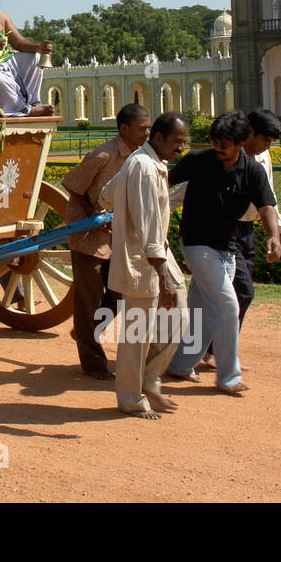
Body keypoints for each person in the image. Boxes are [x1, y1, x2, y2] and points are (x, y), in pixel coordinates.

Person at [164, 110, 281, 394]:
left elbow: (267, 205)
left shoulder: (253, 171)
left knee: (203, 311)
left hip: (227, 247)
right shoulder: (197, 161)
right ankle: (229, 376)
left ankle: (181, 364)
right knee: (228, 305)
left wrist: (275, 236)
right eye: (215, 142)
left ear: (241, 143)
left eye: (225, 144)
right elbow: (163, 184)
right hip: (196, 244)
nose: (218, 148)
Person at [99, 112, 190, 419]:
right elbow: (150, 225)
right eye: (177, 141)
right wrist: (162, 273)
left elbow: (106, 194)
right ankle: (130, 398)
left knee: (177, 315)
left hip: (154, 255)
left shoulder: (146, 162)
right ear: (159, 139)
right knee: (136, 335)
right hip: (142, 261)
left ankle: (149, 382)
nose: (181, 147)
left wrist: (119, 211)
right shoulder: (146, 169)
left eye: (184, 142)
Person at [61, 103, 151, 380]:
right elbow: (73, 187)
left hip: (119, 238)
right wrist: (90, 219)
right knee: (88, 301)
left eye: (149, 128)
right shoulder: (103, 155)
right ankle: (92, 361)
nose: (146, 133)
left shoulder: (140, 157)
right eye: (141, 129)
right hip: (90, 238)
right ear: (124, 129)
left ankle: (86, 332)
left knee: (119, 295)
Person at [200, 107, 281, 372]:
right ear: (250, 133)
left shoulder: (263, 159)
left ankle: (208, 350)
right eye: (264, 140)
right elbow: (185, 190)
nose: (266, 147)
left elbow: (268, 198)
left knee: (229, 295)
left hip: (247, 234)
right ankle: (214, 351)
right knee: (242, 291)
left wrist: (280, 233)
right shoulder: (223, 156)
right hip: (220, 232)